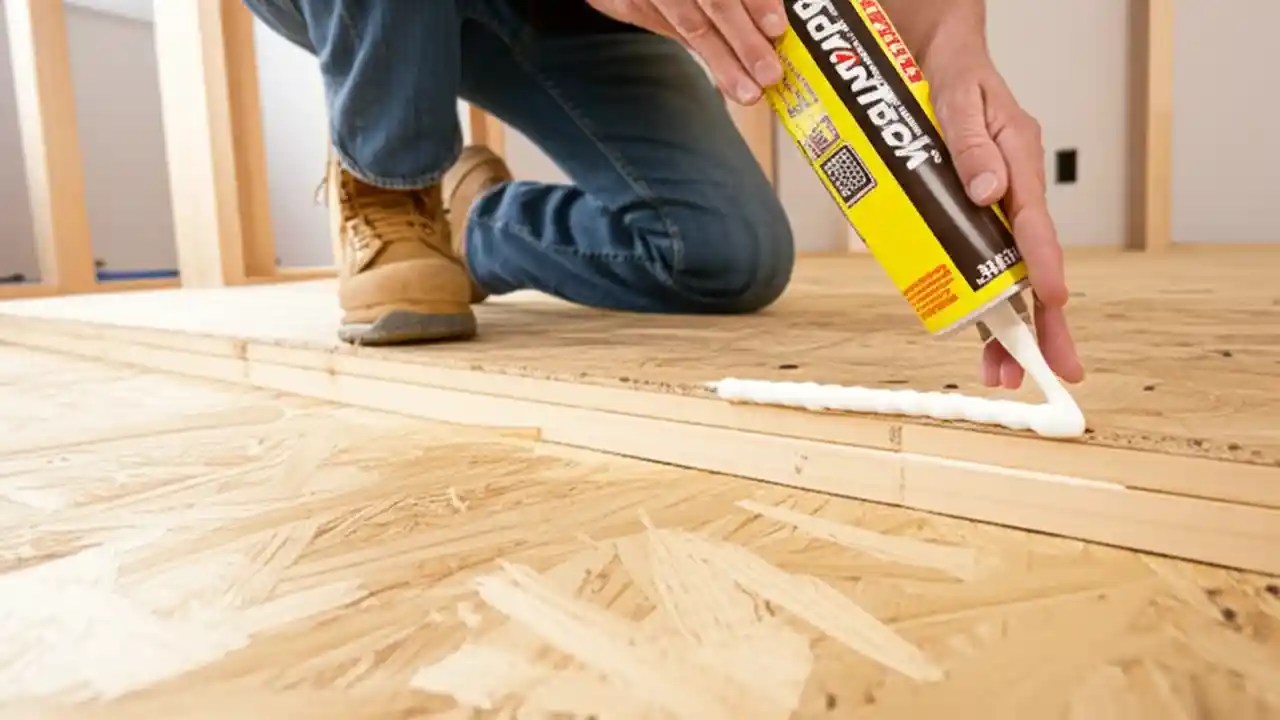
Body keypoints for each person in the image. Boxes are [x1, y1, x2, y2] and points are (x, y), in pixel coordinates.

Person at [241, 0, 1084, 391]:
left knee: (728, 252)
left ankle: (471, 226)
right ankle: (389, 181)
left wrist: (952, 43)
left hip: (569, 15)